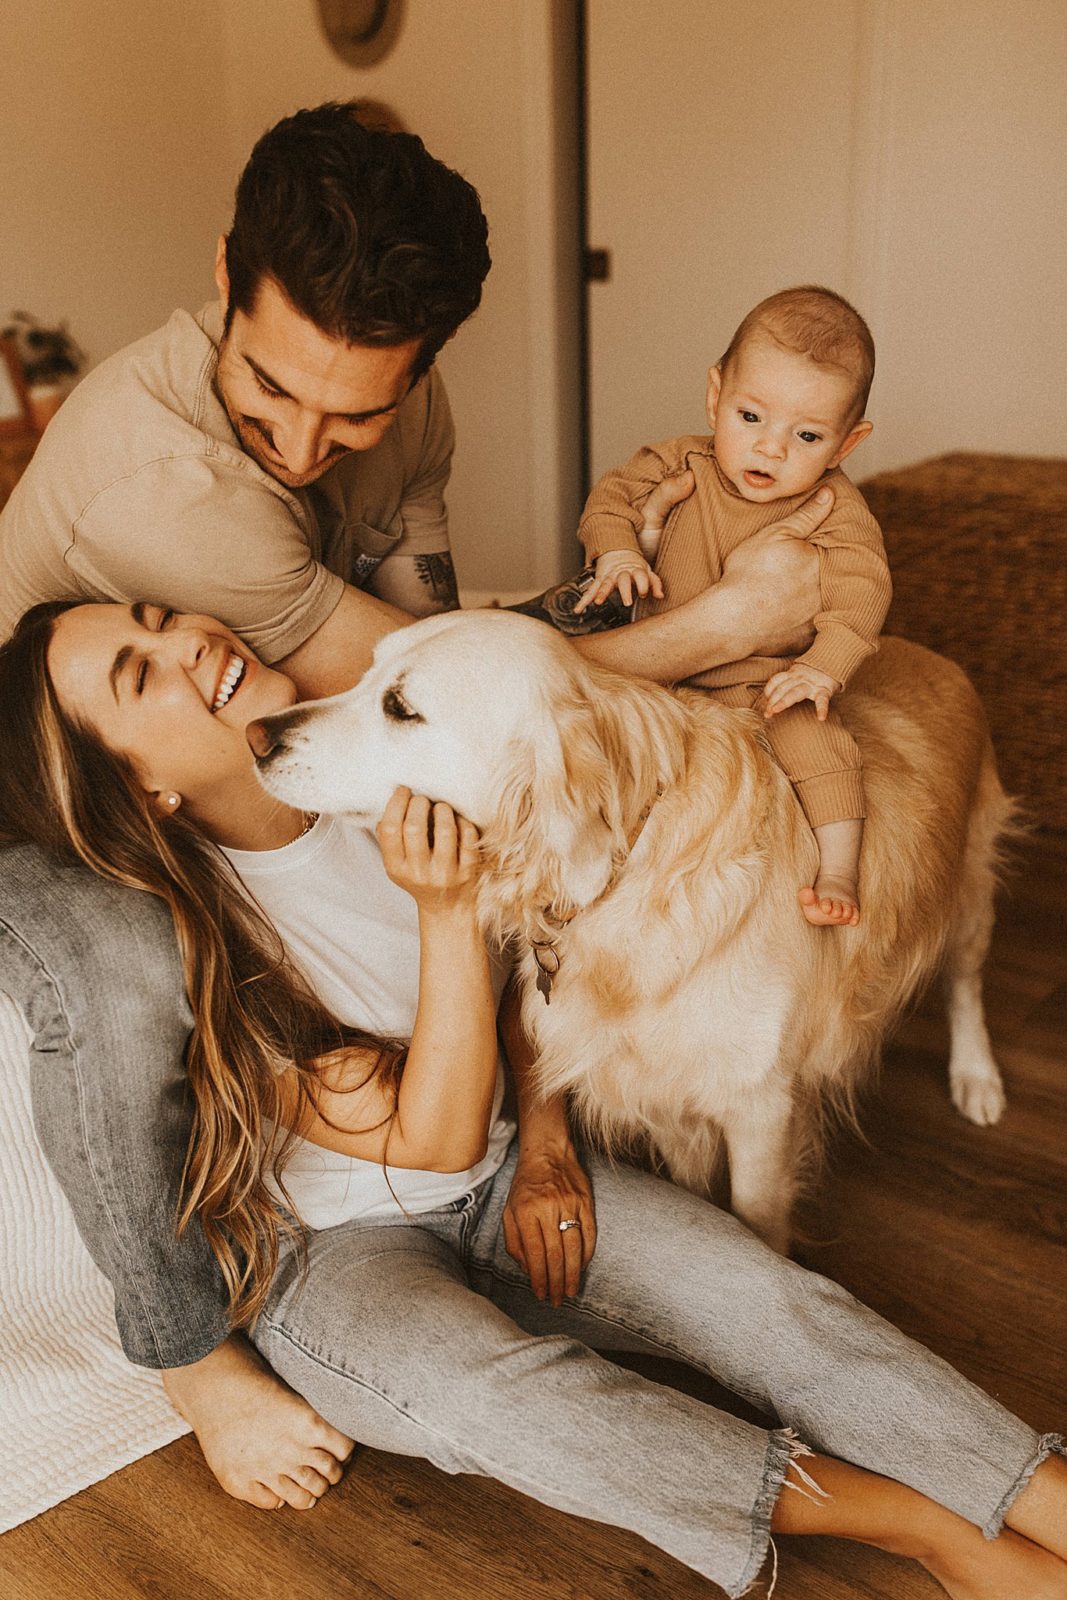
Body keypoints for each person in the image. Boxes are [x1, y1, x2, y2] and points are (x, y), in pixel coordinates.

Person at [0, 100, 835, 1467]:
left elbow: (433, 629)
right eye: (267, 392)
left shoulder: (412, 405)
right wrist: (719, 628)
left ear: (420, 367)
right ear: (224, 277)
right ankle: (192, 1357)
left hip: (274, 687)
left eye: (353, 413)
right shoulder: (172, 497)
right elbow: (446, 682)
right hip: (43, 771)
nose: (299, 444)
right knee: (115, 963)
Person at [1, 596, 1066, 1599]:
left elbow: (535, 984)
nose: (191, 639)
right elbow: (428, 1138)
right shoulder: (174, 938)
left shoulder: (409, 780)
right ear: (143, 789)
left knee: (763, 1294)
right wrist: (446, 910)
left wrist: (549, 1140)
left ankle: (1042, 1494)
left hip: (511, 1172)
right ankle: (917, 1525)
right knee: (493, 1396)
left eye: (160, 616)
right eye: (144, 674)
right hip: (337, 1255)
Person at [576, 286, 891, 927]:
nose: (770, 448)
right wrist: (618, 554)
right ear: (716, 395)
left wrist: (821, 668)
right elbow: (609, 500)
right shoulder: (674, 461)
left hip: (765, 684)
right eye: (750, 418)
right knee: (600, 745)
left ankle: (837, 868)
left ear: (846, 444)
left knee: (820, 744)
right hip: (656, 665)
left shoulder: (839, 510)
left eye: (806, 434)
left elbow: (864, 588)